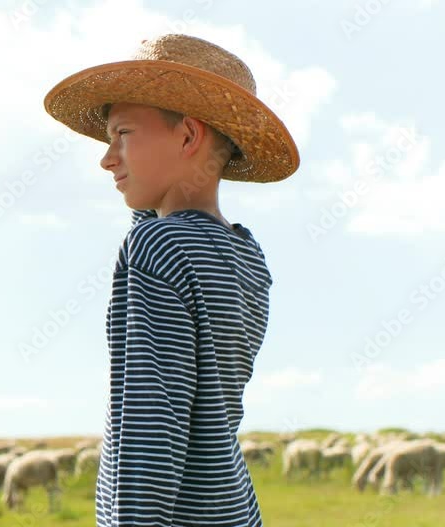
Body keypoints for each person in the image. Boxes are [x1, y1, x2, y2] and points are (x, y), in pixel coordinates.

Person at [43, 34, 301, 526]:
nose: (107, 157)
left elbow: (152, 422)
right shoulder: (247, 256)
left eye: (122, 134)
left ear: (186, 137)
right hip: (232, 508)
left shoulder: (156, 248)